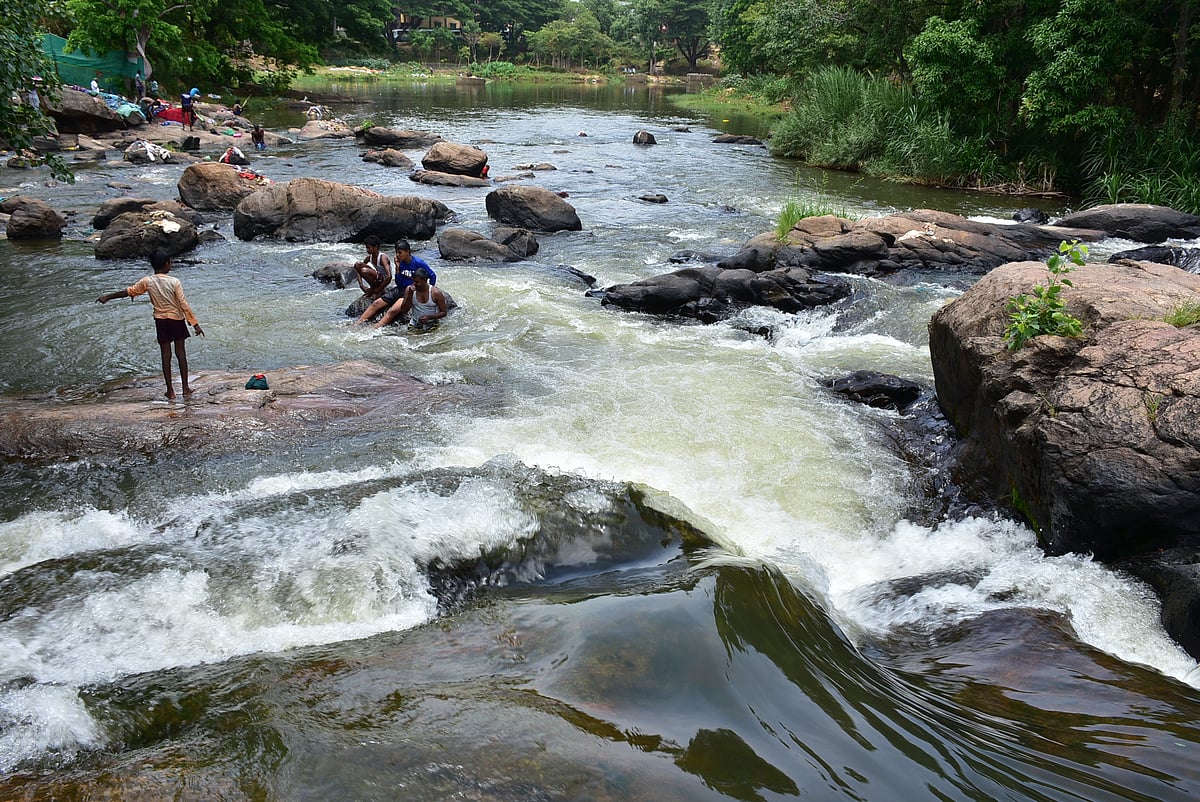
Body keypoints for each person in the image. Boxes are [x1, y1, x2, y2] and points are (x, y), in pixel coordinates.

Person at [95, 250, 204, 400]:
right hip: (177, 320)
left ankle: (170, 391)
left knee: (165, 355)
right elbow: (183, 304)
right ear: (167, 264)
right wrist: (194, 323)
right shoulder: (174, 282)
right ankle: (185, 388)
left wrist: (107, 297)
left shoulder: (147, 281)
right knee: (181, 353)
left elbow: (129, 291)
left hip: (161, 321)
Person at [354, 240, 435, 324]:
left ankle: (375, 329)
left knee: (392, 311)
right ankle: (357, 324)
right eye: (396, 253)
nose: (397, 255)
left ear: (407, 252)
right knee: (376, 303)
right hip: (399, 289)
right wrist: (397, 268)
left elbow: (432, 275)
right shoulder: (401, 263)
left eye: (400, 253)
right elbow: (398, 282)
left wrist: (428, 292)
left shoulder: (418, 262)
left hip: (410, 292)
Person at [374, 268, 447, 330]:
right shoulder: (409, 290)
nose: (414, 284)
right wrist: (410, 294)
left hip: (432, 323)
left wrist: (429, 317)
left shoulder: (435, 293)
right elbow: (404, 310)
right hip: (415, 323)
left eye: (417, 282)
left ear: (425, 280)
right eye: (413, 281)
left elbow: (444, 312)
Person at [352, 235, 392, 301]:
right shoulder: (369, 257)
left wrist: (379, 289)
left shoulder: (382, 257)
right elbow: (358, 269)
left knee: (364, 271)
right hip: (378, 278)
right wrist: (361, 285)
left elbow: (389, 276)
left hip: (384, 280)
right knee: (357, 264)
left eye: (369, 248)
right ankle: (372, 288)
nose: (367, 250)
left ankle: (374, 289)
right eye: (366, 248)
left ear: (376, 247)